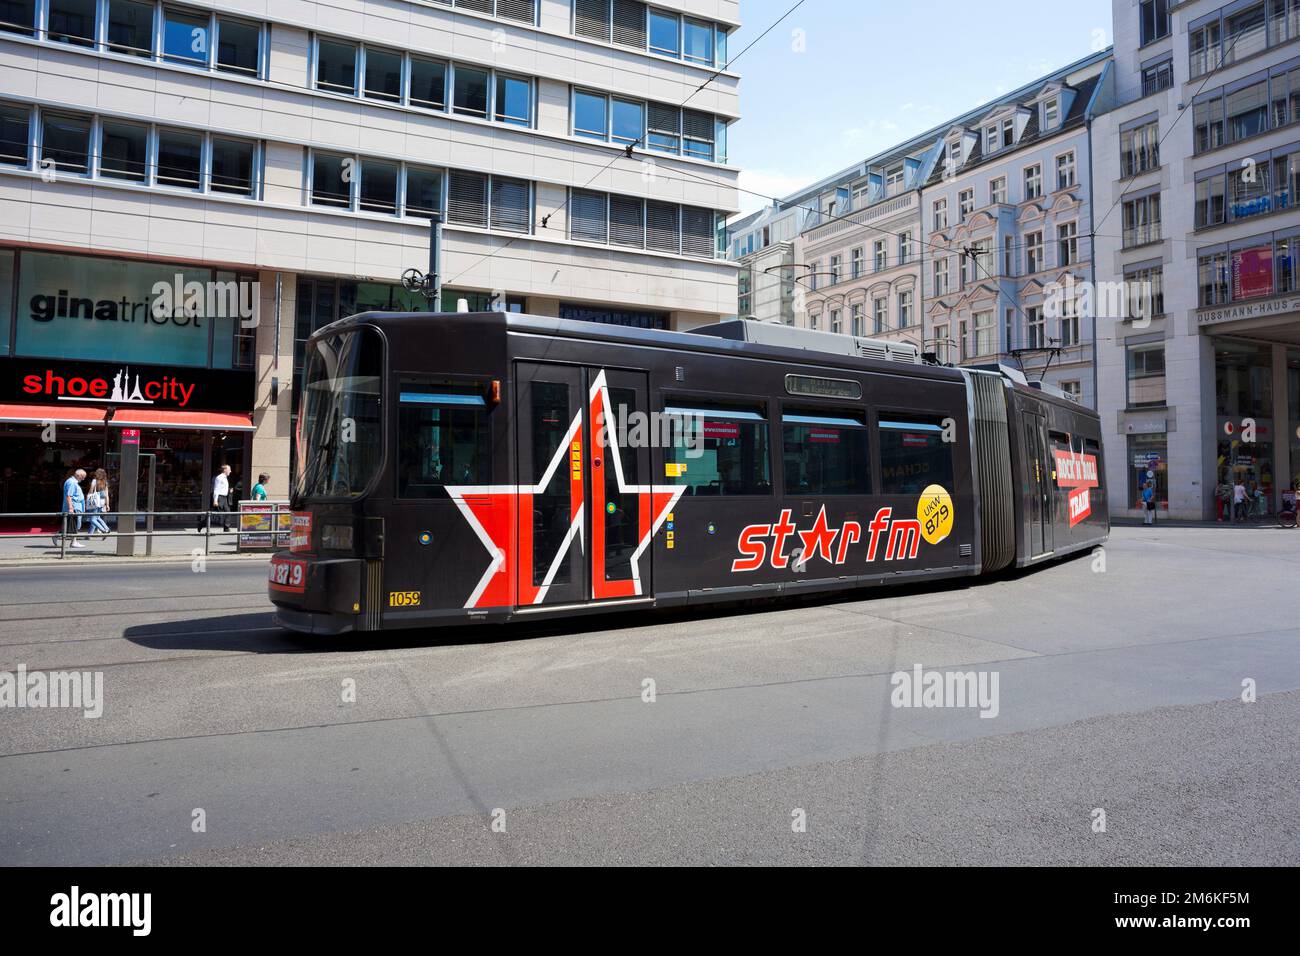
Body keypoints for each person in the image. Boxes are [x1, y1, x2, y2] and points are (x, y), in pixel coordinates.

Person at [55, 468, 86, 549]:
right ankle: (72, 541)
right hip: (74, 507)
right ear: (78, 475)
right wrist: (71, 508)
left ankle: (72, 541)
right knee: (74, 525)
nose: (83, 479)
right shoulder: (72, 482)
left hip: (75, 506)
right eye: (83, 476)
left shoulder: (72, 482)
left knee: (71, 525)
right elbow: (69, 496)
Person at [199, 464, 233, 532]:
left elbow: (222, 488)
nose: (230, 471)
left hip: (224, 498)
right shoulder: (219, 478)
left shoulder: (225, 478)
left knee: (228, 512)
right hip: (219, 498)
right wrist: (215, 500)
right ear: (225, 470)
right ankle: (202, 524)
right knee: (214, 514)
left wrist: (229, 490)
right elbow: (216, 489)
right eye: (229, 469)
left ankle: (226, 527)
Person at [86, 468, 111, 540]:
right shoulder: (105, 482)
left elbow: (91, 491)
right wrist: (107, 505)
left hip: (94, 502)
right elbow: (107, 495)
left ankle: (103, 530)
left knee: (92, 519)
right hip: (101, 503)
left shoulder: (94, 481)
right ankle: (107, 529)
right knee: (98, 517)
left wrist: (87, 499)